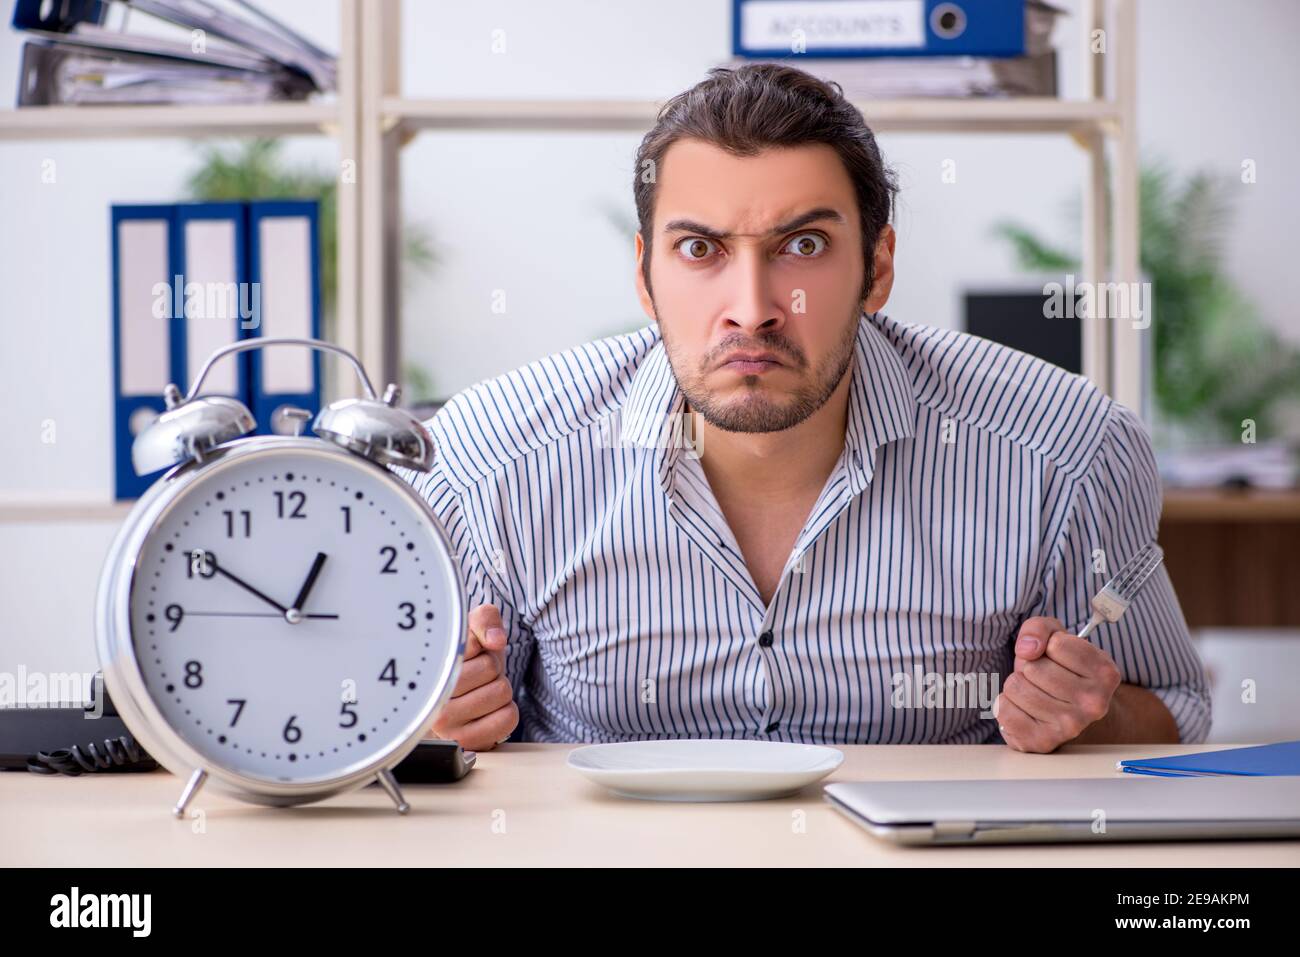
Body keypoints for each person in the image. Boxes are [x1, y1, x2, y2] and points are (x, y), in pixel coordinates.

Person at [404, 63, 1210, 753]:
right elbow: (425, 744)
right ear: (646, 278)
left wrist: (1084, 717)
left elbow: (1173, 707)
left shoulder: (1063, 450)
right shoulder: (489, 460)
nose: (751, 308)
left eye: (804, 246)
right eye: (701, 249)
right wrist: (428, 725)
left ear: (878, 266)